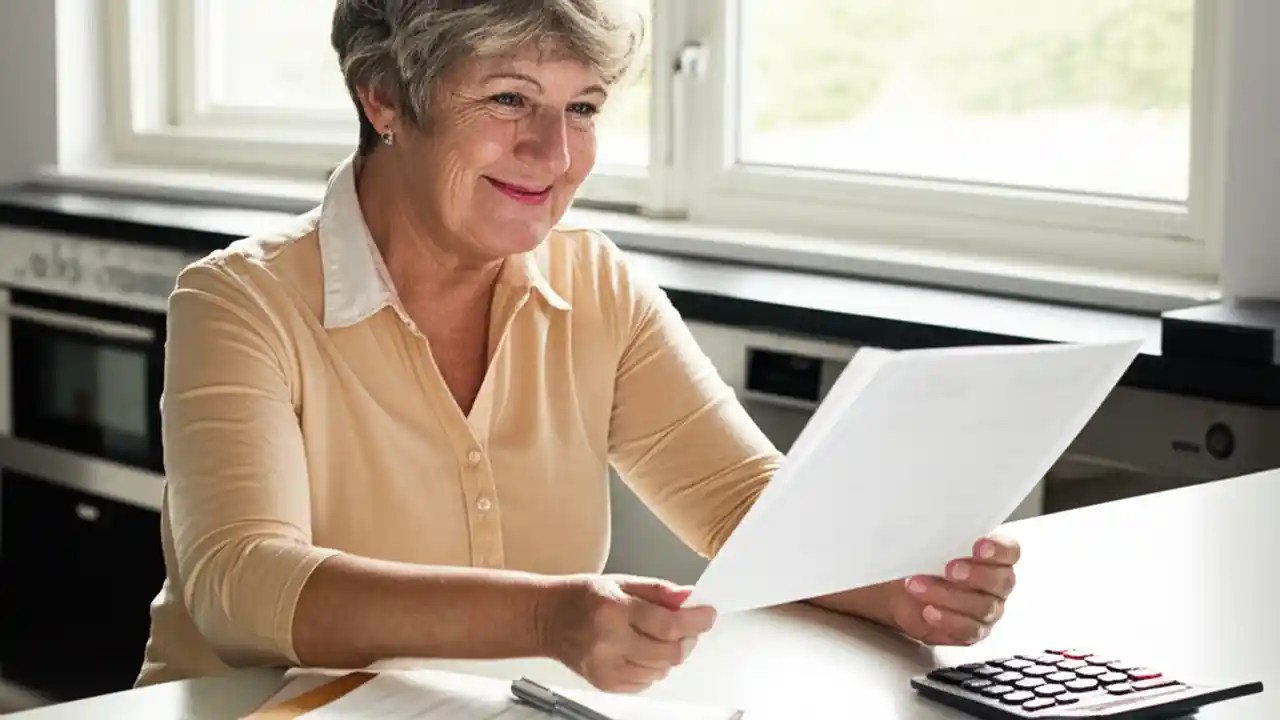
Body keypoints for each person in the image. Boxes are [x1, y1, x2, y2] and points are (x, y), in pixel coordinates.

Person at [136, 0, 1021, 693]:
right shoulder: (240, 300)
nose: (553, 152)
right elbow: (241, 588)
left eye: (583, 107)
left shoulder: (597, 286)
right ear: (385, 98)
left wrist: (900, 588)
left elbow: (743, 504)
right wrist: (544, 619)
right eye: (508, 99)